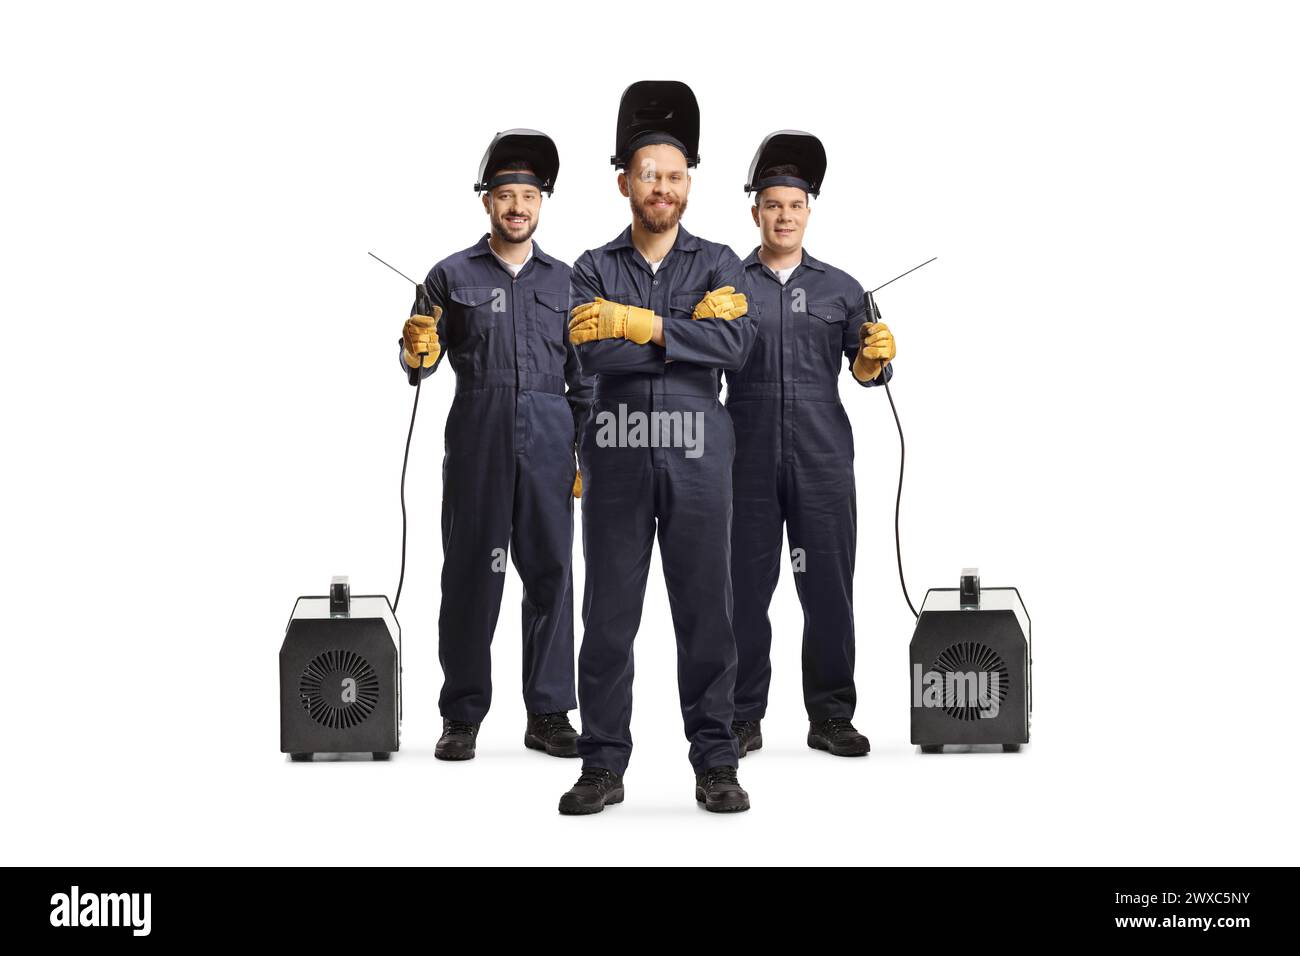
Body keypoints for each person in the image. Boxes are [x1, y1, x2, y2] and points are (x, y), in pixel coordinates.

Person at [557, 81, 758, 814]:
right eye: (649, 175)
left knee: (708, 615)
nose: (662, 189)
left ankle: (716, 762)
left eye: (674, 177)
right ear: (624, 183)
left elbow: (736, 347)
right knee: (608, 617)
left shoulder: (722, 261)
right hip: (613, 457)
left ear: (688, 186)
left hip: (702, 459)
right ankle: (602, 765)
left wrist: (640, 327)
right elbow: (585, 358)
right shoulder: (589, 267)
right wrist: (683, 335)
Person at [398, 130, 591, 761]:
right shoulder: (449, 276)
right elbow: (421, 359)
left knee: (552, 574)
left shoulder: (569, 282)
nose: (517, 206)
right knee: (470, 578)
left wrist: (587, 454)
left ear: (542, 204)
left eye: (528, 196)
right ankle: (462, 714)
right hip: (478, 435)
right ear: (487, 201)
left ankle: (549, 713)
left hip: (550, 440)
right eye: (506, 194)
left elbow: (586, 377)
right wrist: (416, 349)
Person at [725, 131, 898, 759]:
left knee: (828, 586)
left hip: (823, 456)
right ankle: (742, 717)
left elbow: (866, 370)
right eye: (773, 205)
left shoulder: (843, 289)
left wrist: (876, 357)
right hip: (742, 456)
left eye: (795, 205)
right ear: (756, 212)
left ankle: (831, 716)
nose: (784, 216)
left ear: (808, 211)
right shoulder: (725, 281)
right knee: (743, 589)